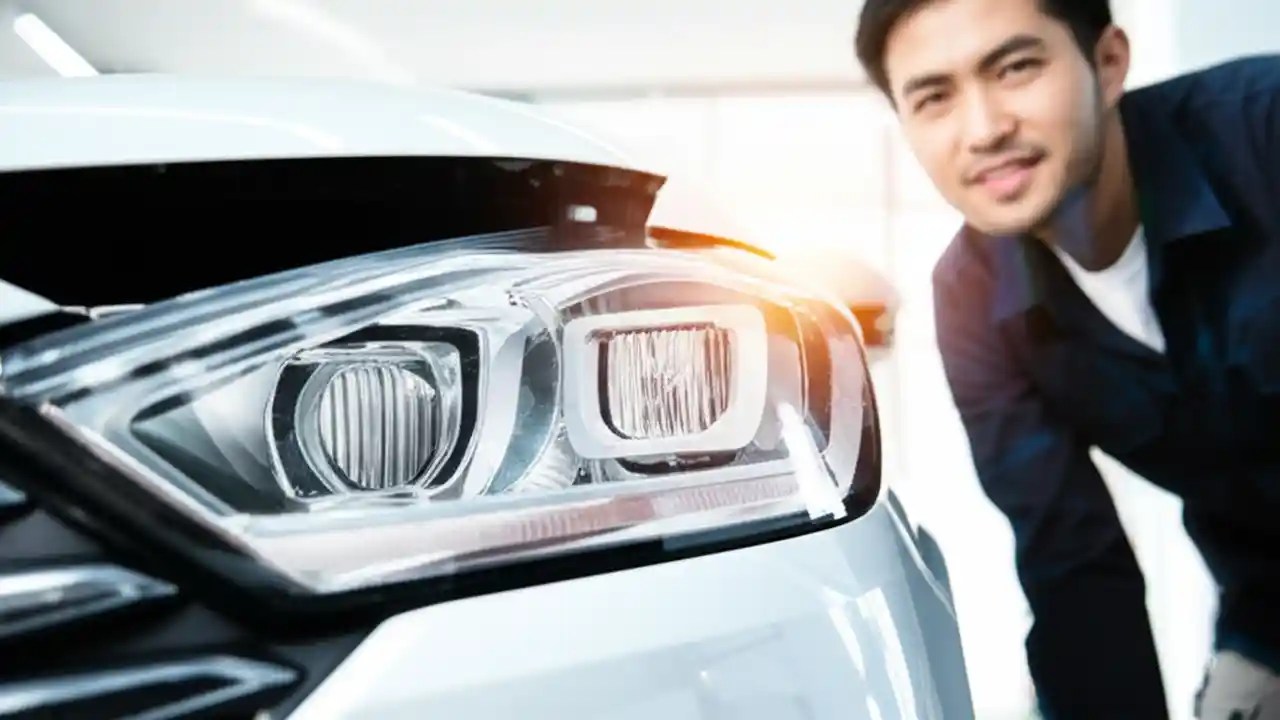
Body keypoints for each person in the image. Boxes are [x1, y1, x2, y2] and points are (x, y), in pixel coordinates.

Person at [853, 0, 1280, 718]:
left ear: (1108, 63)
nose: (984, 129)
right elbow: (1076, 574)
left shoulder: (1264, 130)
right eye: (934, 98)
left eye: (1016, 68)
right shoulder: (972, 301)